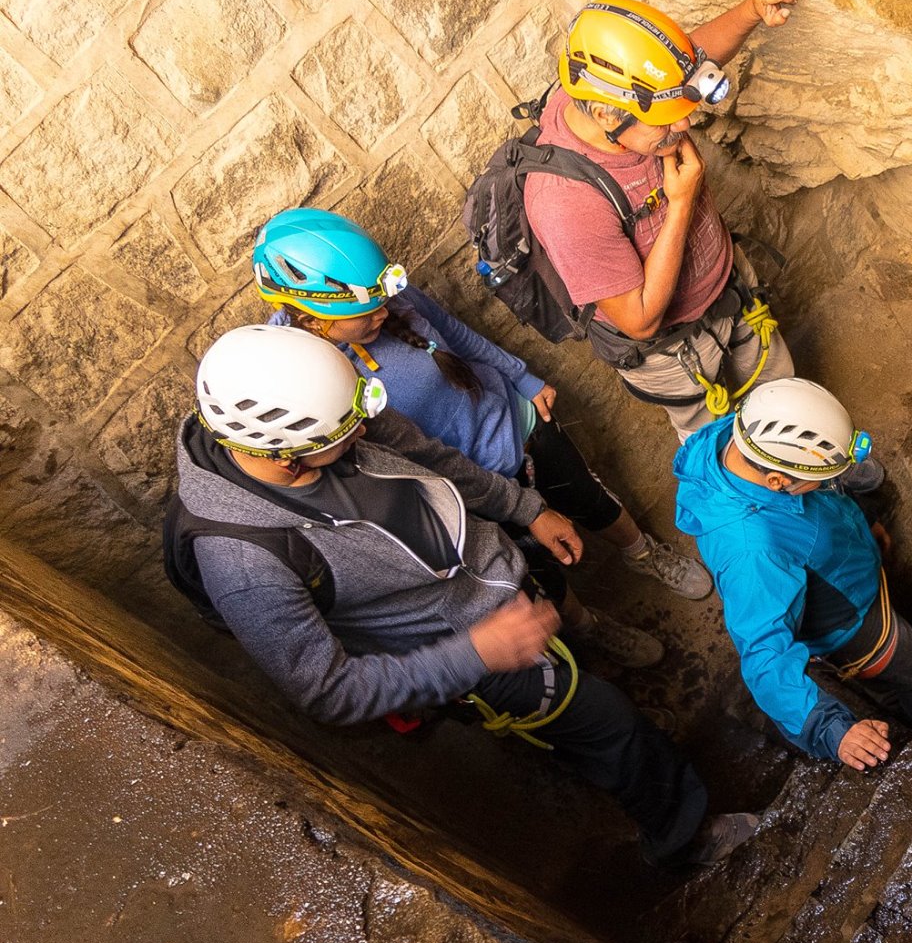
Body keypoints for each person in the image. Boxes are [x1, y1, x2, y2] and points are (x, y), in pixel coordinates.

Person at [172, 324, 756, 867]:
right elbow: (326, 689)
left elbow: (434, 459)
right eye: (346, 432)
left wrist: (527, 508)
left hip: (494, 578)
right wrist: (478, 652)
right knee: (610, 725)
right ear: (283, 453)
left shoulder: (334, 416)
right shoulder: (244, 559)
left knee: (590, 705)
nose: (365, 431)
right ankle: (683, 836)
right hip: (465, 654)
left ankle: (599, 724)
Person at [252, 207, 711, 669]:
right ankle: (589, 626)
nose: (385, 313)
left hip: (516, 428)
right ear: (315, 318)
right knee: (535, 567)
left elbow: (455, 333)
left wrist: (523, 380)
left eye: (383, 302)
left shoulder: (389, 297)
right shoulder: (309, 379)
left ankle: (644, 554)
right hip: (471, 491)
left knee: (589, 497)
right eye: (369, 313)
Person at [525, 0, 871, 494]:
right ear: (605, 113)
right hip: (672, 351)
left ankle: (819, 469)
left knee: (780, 395)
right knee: (720, 446)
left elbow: (690, 61)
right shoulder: (564, 201)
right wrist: (681, 203)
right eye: (667, 117)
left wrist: (752, 10)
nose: (687, 120)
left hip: (728, 291)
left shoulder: (617, 91)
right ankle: (765, 505)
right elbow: (640, 319)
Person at [674, 377, 912, 769]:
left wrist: (863, 521)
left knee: (908, 661)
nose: (826, 483)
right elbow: (763, 658)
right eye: (818, 479)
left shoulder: (740, 438)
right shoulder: (753, 551)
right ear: (777, 481)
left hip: (846, 580)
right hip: (847, 624)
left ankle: (898, 691)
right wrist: (830, 729)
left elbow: (815, 505)